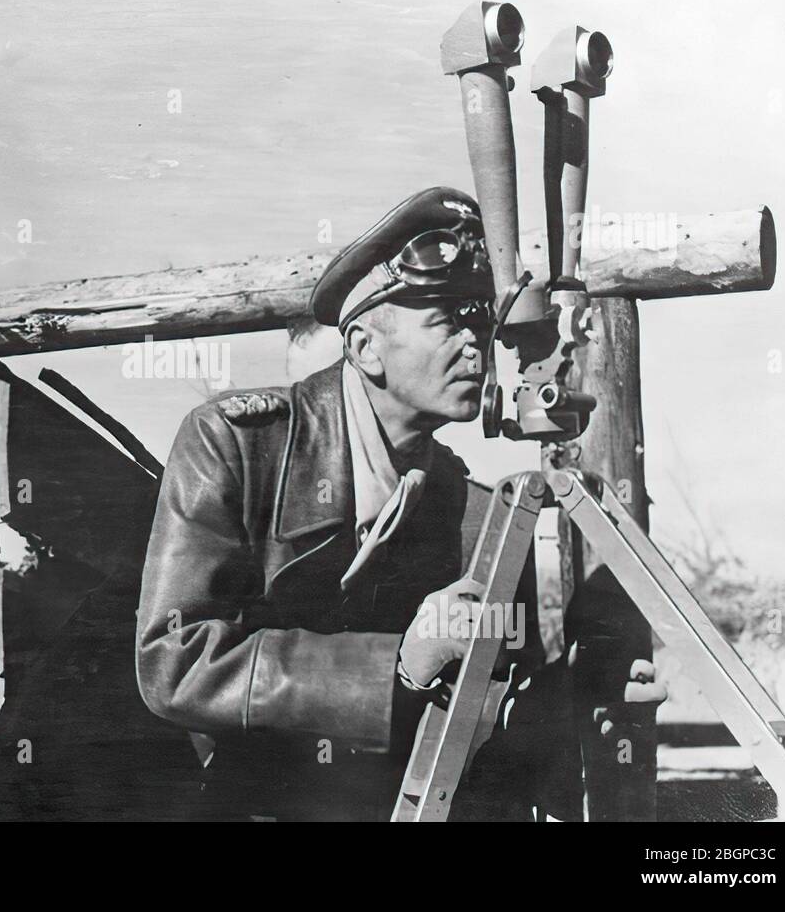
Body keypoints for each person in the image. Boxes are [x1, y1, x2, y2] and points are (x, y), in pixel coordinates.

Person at [136, 186, 665, 820]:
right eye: (448, 321)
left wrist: (565, 700)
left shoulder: (477, 513)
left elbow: (482, 707)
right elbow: (177, 660)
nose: (478, 345)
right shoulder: (239, 447)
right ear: (364, 348)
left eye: (478, 321)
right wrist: (400, 662)